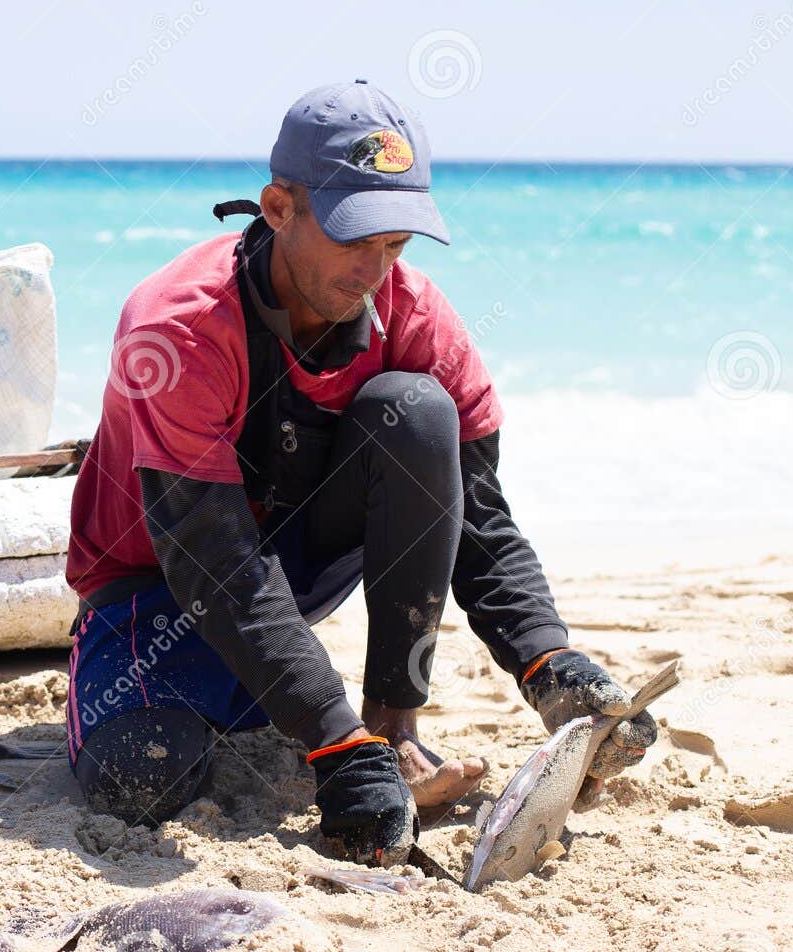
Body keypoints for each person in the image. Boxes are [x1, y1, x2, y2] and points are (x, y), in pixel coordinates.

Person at [63, 81, 656, 865]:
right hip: (157, 590)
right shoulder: (180, 329)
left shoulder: (410, 310)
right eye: (353, 239)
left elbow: (477, 516)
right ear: (279, 208)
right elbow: (219, 563)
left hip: (292, 568)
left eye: (396, 243)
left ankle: (392, 730)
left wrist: (549, 660)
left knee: (416, 412)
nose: (374, 270)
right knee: (141, 779)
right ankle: (319, 723)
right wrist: (331, 745)